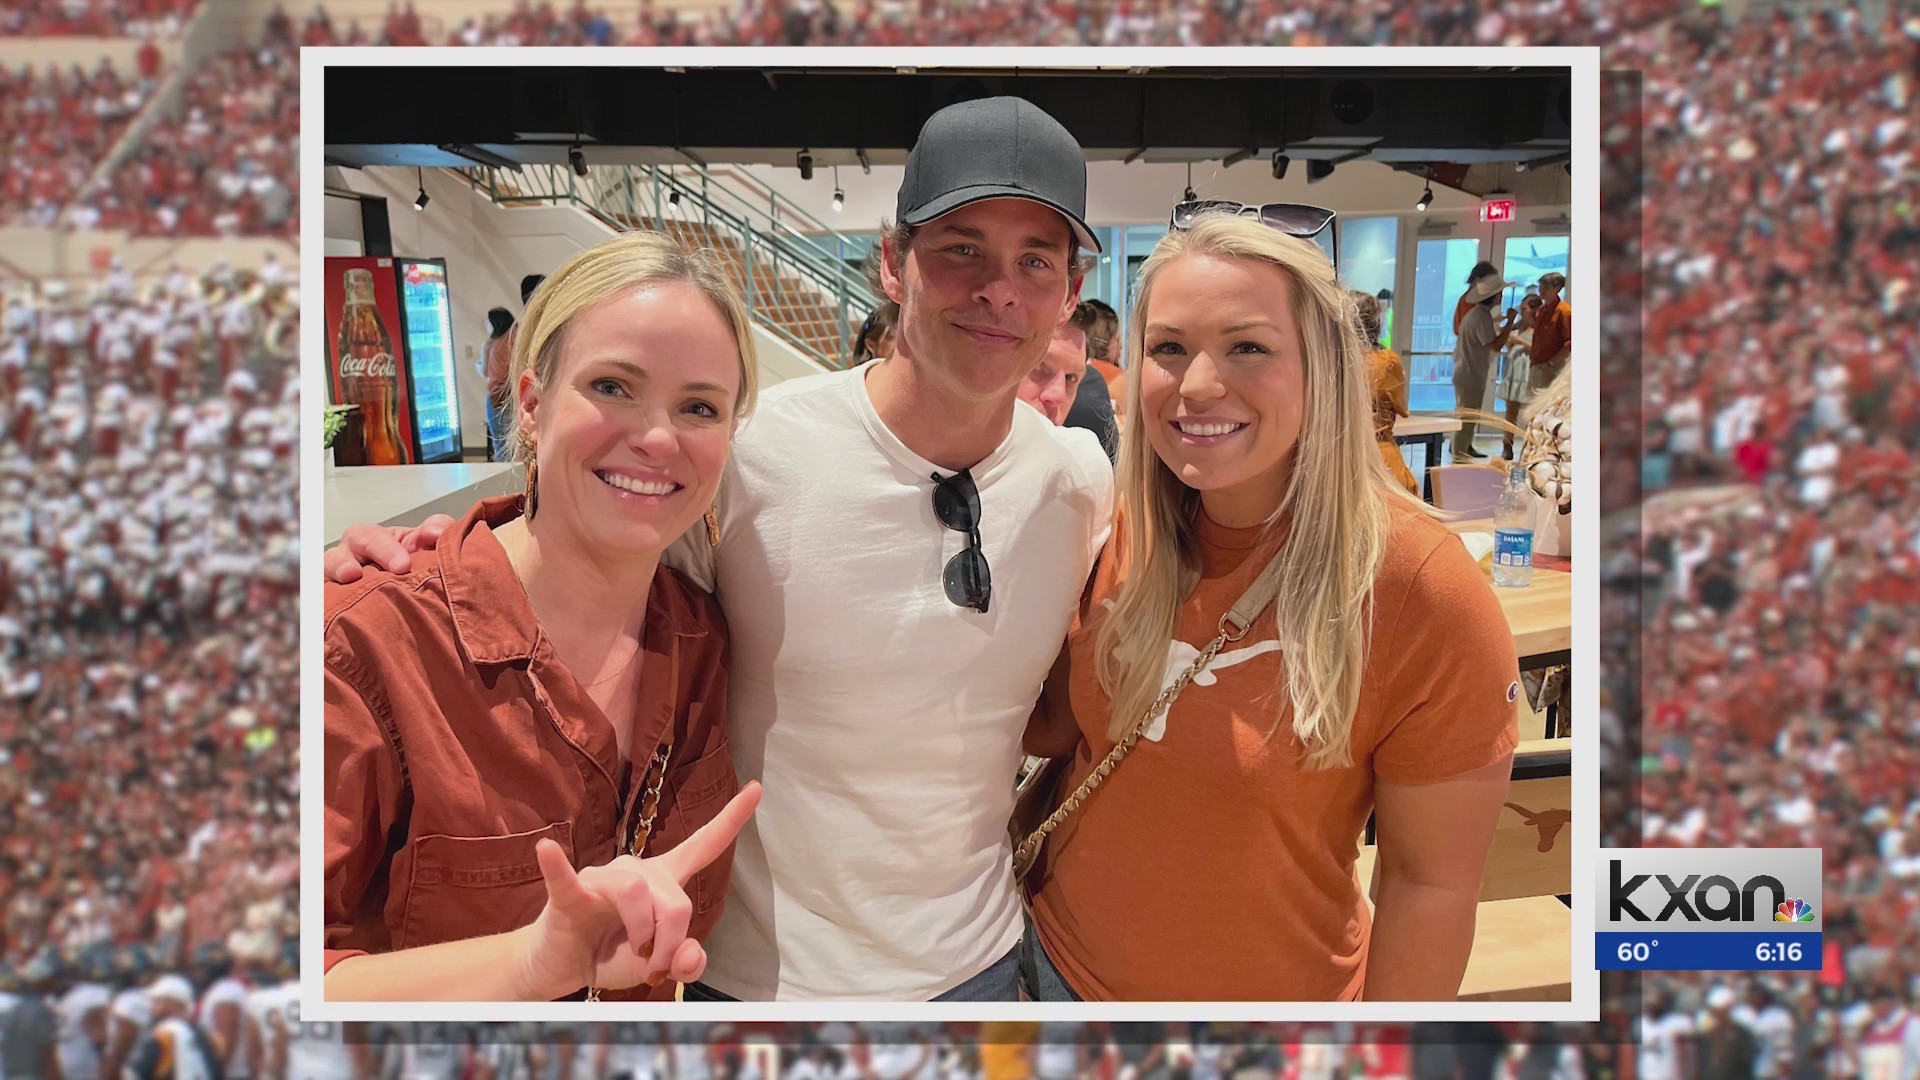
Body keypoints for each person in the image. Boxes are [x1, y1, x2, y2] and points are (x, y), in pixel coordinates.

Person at [326, 96, 1113, 1001]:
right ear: (894, 264)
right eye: (961, 248)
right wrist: (436, 557)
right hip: (739, 977)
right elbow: (600, 551)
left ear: (1066, 293)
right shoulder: (756, 450)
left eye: (1035, 261)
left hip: (974, 964)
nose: (998, 289)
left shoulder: (1078, 481)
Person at [1019, 212, 1520, 1000]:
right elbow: (1054, 729)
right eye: (1169, 347)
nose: (1199, 385)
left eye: (1248, 346)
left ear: (1320, 366)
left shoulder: (1419, 587)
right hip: (1049, 971)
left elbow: (1431, 885)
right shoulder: (1121, 528)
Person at [322, 231, 763, 1002]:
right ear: (531, 403)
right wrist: (528, 965)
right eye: (614, 386)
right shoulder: (368, 643)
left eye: (699, 406)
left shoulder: (701, 638)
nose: (658, 438)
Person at [1451, 271, 1520, 462]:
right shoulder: (1481, 317)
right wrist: (1511, 322)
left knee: (1467, 416)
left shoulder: (1477, 315)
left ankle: (1461, 453)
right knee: (1468, 418)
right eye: (1499, 293)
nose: (1501, 296)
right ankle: (1460, 457)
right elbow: (1496, 345)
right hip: (1470, 373)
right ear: (1494, 296)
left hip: (1467, 371)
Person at [1353, 291, 1417, 495]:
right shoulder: (1387, 363)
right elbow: (1402, 408)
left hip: (1336, 461)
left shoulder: (1328, 364)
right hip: (1380, 456)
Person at [1498, 293, 1543, 459]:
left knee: (1529, 410)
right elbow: (1508, 345)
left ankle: (1529, 444)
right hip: (1514, 369)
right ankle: (1507, 444)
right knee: (1510, 410)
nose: (1522, 312)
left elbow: (1539, 349)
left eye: (1524, 309)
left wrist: (1520, 341)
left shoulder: (1539, 327)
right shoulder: (1518, 326)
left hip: (1529, 370)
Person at [482, 306, 515, 460]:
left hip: (497, 397)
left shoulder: (493, 345)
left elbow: (486, 372)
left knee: (501, 446)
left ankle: (503, 481)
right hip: (514, 396)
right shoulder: (518, 337)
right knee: (515, 444)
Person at [1529, 273, 1571, 389]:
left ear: (1557, 289)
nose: (1541, 290)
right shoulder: (1542, 310)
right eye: (1541, 286)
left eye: (1546, 287)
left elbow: (1569, 343)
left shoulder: (1564, 312)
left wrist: (1551, 363)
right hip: (1537, 364)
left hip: (1551, 367)